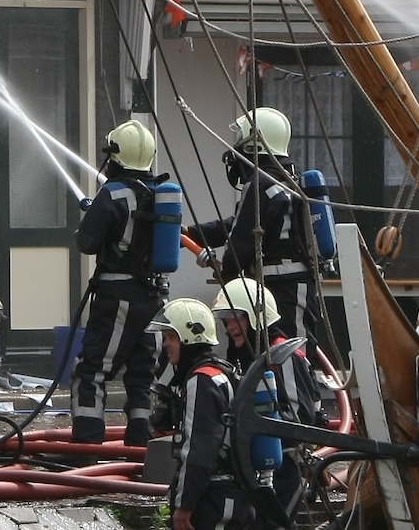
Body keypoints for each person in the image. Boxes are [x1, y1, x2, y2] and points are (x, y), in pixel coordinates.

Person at [71, 118, 169, 447]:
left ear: (115, 156)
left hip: (118, 296)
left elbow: (87, 242)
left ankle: (86, 446)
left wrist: (92, 216)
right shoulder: (159, 193)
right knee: (142, 374)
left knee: (93, 370)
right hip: (156, 297)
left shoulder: (111, 193)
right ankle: (143, 447)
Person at [188, 109, 316, 340]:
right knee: (292, 348)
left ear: (254, 143)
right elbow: (242, 224)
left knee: (288, 351)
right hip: (295, 284)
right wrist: (194, 233)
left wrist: (227, 272)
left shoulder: (259, 183)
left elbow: (241, 240)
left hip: (280, 286)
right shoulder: (287, 178)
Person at [215, 277, 319, 522]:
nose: (230, 326)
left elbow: (300, 415)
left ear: (255, 317)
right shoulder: (248, 358)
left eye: (236, 318)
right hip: (255, 465)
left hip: (285, 466)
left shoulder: (283, 356)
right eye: (226, 320)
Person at [156, 297, 254, 530]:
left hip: (215, 499)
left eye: (171, 337)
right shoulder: (219, 373)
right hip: (231, 496)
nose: (165, 345)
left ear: (190, 338)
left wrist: (185, 505)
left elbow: (200, 447)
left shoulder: (201, 380)